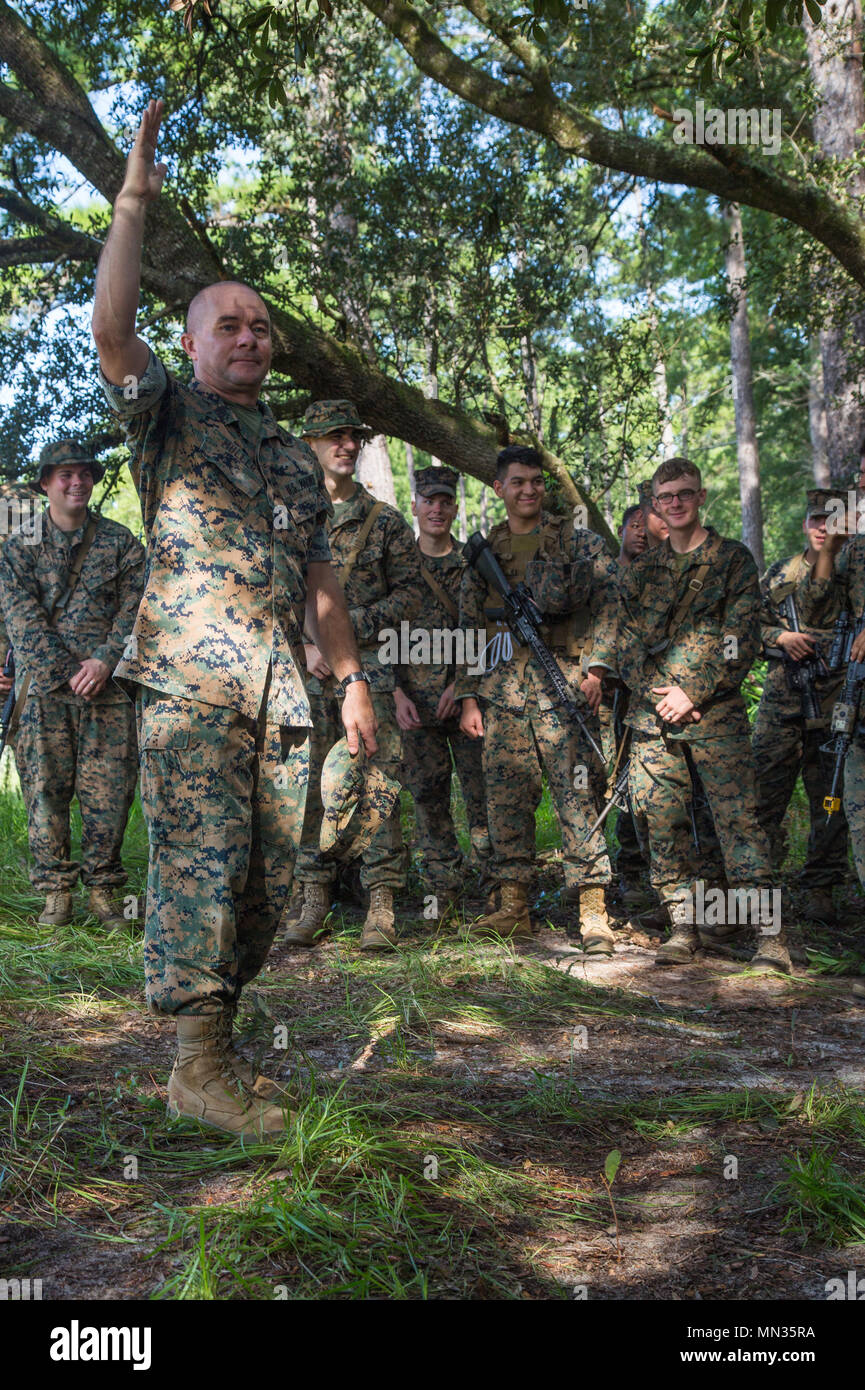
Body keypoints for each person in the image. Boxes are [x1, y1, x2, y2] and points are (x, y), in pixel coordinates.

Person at [91, 99, 376, 1139]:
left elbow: (319, 580)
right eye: (231, 325)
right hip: (191, 687)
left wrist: (350, 684)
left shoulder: (294, 457)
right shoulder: (166, 414)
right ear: (193, 340)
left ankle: (220, 1047)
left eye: (260, 326)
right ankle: (197, 1068)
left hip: (282, 694)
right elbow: (108, 329)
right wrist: (133, 200)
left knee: (265, 879)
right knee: (202, 866)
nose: (250, 337)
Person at [610, 457, 791, 972]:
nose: (675, 503)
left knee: (741, 826)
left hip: (716, 718)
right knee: (661, 824)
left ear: (701, 495)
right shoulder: (642, 572)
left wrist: (691, 692)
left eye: (684, 493)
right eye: (665, 497)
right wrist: (659, 695)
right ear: (654, 506)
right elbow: (625, 647)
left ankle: (769, 937)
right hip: (653, 722)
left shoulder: (733, 560)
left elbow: (742, 637)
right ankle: (684, 926)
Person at [456, 445, 619, 952]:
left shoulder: (578, 542)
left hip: (565, 689)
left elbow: (613, 605)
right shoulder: (485, 552)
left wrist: (597, 669)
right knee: (504, 802)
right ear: (500, 488)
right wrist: (467, 697)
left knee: (577, 799)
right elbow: (468, 626)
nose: (529, 490)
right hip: (502, 697)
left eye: (536, 482)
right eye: (519, 482)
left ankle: (593, 912)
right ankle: (513, 906)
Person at [282, 400, 424, 952]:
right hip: (303, 678)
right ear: (311, 444)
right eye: (333, 436)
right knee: (309, 786)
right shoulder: (289, 516)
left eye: (353, 437)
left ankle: (381, 906)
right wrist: (304, 639)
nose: (346, 445)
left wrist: (344, 629)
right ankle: (312, 896)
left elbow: (412, 595)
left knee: (377, 785)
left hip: (370, 676)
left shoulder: (384, 521)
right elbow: (266, 589)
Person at [0, 441, 144, 928]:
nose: (77, 482)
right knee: (46, 792)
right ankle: (56, 894)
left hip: (108, 691)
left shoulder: (120, 542)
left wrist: (104, 661)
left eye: (84, 474)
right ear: (45, 484)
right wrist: (65, 673)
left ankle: (105, 892)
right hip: (43, 694)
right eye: (65, 475)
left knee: (109, 795)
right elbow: (21, 619)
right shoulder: (18, 546)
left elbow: (138, 607)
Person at [393, 466, 490, 920]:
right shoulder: (397, 565)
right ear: (414, 506)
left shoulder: (473, 566)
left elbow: (486, 631)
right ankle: (442, 894)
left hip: (465, 704)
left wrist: (463, 684)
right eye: (428, 500)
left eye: (445, 501)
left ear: (454, 506)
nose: (436, 509)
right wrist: (394, 693)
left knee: (482, 797)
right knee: (429, 800)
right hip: (413, 706)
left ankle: (495, 891)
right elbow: (380, 633)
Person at [752, 493, 850, 923]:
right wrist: (781, 639)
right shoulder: (780, 572)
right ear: (805, 523)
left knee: (830, 802)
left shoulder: (856, 569)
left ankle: (821, 889)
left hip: (837, 706)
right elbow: (748, 626)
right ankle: (758, 886)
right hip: (781, 704)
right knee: (763, 797)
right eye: (815, 518)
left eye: (832, 518)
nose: (822, 526)